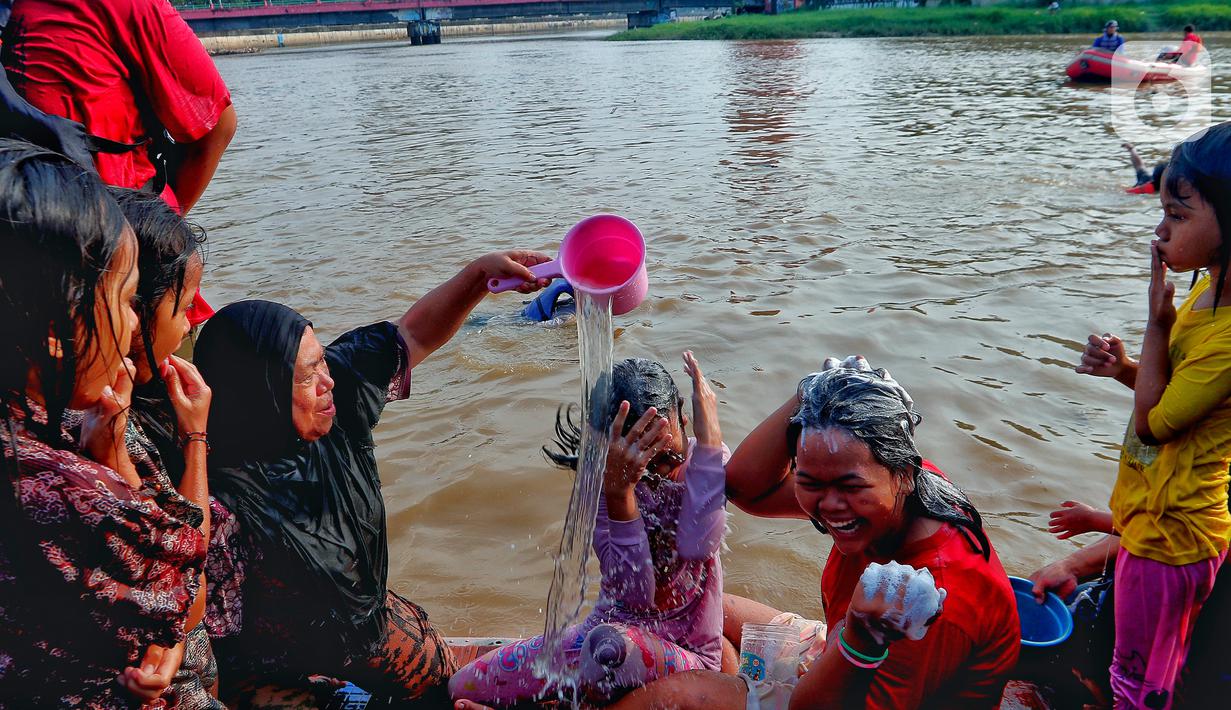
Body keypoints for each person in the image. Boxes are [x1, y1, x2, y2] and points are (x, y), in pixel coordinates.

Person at [194, 252, 552, 705]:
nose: (327, 382)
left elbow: (412, 335)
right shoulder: (214, 496)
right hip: (268, 662)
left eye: (322, 362)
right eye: (306, 376)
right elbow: (205, 638)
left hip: (363, 625)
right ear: (258, 393)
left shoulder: (336, 399)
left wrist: (478, 276)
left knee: (447, 688)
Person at [605, 358, 1019, 710]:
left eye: (849, 487)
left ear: (903, 474)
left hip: (857, 680)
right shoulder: (898, 485)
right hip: (841, 646)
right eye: (809, 482)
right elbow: (745, 488)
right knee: (706, 607)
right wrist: (811, 391)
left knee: (678, 695)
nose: (830, 507)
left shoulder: (932, 597)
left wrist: (859, 638)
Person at [0, 138, 207, 706]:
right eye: (123, 299)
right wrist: (124, 459)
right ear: (56, 330)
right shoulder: (62, 481)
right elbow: (186, 599)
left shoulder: (42, 418)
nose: (132, 324)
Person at [450, 353, 731, 706]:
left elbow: (698, 545)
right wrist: (619, 492)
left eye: (667, 458)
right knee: (464, 686)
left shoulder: (706, 461)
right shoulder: (604, 481)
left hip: (686, 655)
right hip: (605, 635)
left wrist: (709, 440)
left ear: (685, 423)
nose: (658, 473)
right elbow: (633, 594)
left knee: (608, 651)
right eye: (644, 465)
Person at [1077, 121, 1231, 709]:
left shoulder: (1227, 334)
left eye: (1178, 215)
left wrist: (1155, 323)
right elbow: (1169, 396)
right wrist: (1124, 369)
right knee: (1150, 664)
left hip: (1171, 542)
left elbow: (1152, 425)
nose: (1160, 230)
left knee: (1136, 678)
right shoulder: (1206, 291)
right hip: (1160, 526)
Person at [104, 187, 223, 709]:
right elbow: (188, 578)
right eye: (185, 305)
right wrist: (196, 438)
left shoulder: (126, 402)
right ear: (135, 306)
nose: (191, 322)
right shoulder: (107, 423)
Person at [1, 0, 236, 215]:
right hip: (30, 216)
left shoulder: (127, 5)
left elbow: (217, 128)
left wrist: (163, 225)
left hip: (123, 216)